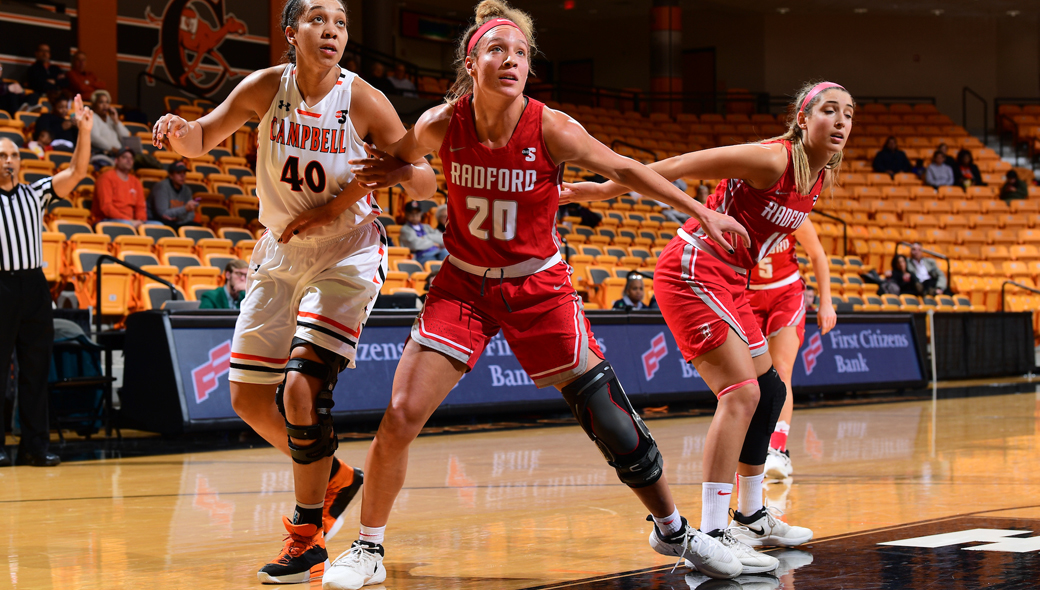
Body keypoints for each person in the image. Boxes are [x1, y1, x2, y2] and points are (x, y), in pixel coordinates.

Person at [332, 3, 759, 587]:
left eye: (521, 53)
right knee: (402, 414)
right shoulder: (440, 122)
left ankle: (673, 529)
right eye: (497, 50)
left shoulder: (552, 127)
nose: (511, 61)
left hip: (538, 287)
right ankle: (367, 547)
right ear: (471, 62)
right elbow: (410, 167)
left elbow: (626, 170)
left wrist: (699, 211)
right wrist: (392, 176)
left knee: (609, 417)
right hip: (463, 284)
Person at [152, 0, 436, 584]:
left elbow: (426, 178)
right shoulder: (265, 87)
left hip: (347, 250)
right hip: (281, 250)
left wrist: (401, 172)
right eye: (318, 20)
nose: (332, 31)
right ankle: (334, 476)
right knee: (247, 399)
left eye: (341, 23)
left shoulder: (362, 99)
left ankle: (306, 539)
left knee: (303, 391)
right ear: (291, 32)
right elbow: (201, 138)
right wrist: (179, 132)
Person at [565, 80, 851, 559]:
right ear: (802, 119)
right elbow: (681, 164)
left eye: (848, 113)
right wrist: (606, 190)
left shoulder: (816, 178)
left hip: (731, 280)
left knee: (770, 391)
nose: (841, 120)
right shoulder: (772, 159)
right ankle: (715, 533)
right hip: (692, 268)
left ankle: (752, 516)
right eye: (829, 110)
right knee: (742, 393)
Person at [0, 94, 93, 467]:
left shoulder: (35, 193)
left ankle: (34, 445)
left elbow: (77, 173)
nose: (9, 161)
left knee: (36, 369)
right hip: (1, 286)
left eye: (13, 156)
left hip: (34, 285)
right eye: (2, 156)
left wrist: (84, 130)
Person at [751, 222, 836, 481]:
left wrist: (826, 302)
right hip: (746, 294)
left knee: (781, 369)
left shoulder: (792, 211)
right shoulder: (738, 208)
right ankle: (752, 450)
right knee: (750, 379)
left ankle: (778, 450)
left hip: (786, 293)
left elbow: (817, 254)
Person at [92, 148, 150, 227]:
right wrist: (128, 220)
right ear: (116, 160)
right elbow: (106, 207)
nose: (129, 160)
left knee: (157, 225)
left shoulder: (136, 181)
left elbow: (140, 207)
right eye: (124, 157)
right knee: (127, 224)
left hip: (130, 221)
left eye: (131, 158)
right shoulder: (106, 178)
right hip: (106, 219)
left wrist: (140, 221)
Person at [148, 161, 198, 228]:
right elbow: (163, 213)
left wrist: (179, 220)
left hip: (178, 221)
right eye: (178, 172)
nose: (182, 176)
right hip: (157, 220)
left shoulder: (187, 190)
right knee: (169, 225)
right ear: (171, 175)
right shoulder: (161, 187)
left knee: (198, 228)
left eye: (184, 173)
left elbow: (191, 215)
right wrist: (185, 209)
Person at [399, 200, 447, 265]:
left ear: (421, 214)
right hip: (421, 256)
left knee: (447, 253)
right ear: (406, 214)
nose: (415, 216)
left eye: (417, 213)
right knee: (434, 262)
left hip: (436, 252)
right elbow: (415, 245)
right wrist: (433, 243)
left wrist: (426, 237)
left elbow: (442, 238)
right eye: (411, 213)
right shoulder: (405, 229)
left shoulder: (426, 227)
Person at [90, 90, 131, 156]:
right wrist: (111, 148)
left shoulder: (111, 119)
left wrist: (116, 121)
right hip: (104, 154)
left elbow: (125, 137)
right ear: (94, 105)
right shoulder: (92, 117)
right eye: (101, 102)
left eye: (107, 102)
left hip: (120, 154)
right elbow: (94, 138)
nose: (105, 105)